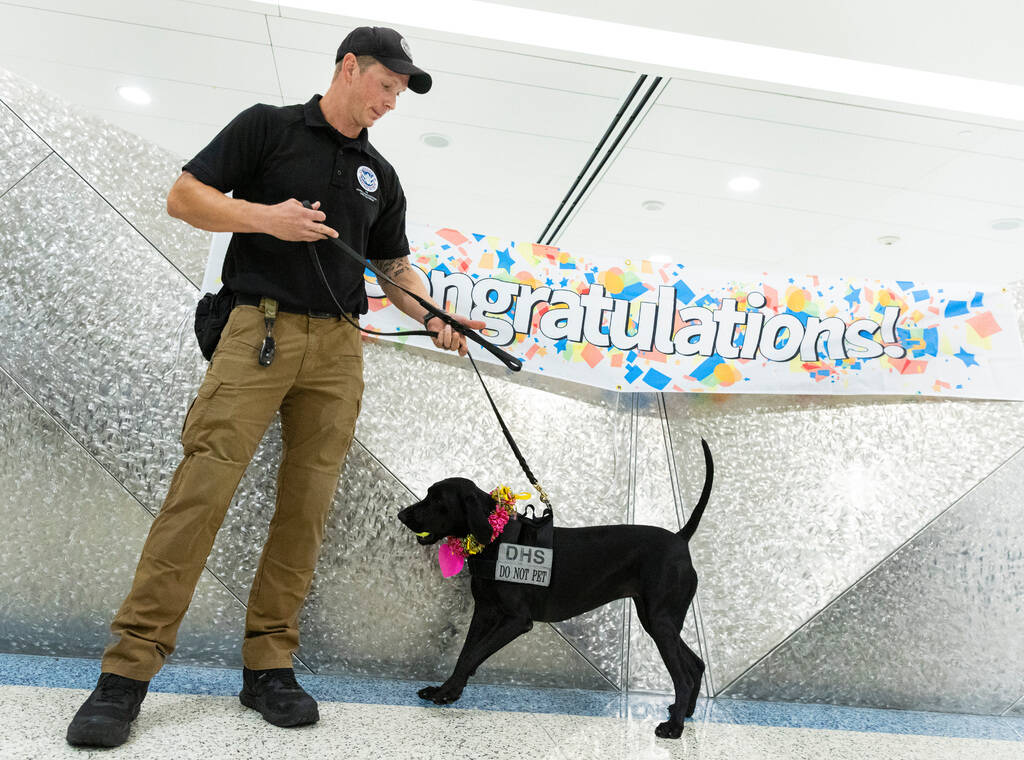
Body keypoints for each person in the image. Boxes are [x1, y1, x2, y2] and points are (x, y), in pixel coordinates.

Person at [66, 26, 484, 748]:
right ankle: (125, 675)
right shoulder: (268, 127)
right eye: (385, 84)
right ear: (348, 67)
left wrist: (435, 312)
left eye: (398, 92)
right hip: (255, 334)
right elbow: (184, 198)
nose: (391, 101)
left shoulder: (378, 176)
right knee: (199, 496)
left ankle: (269, 667)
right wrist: (269, 220)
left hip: (336, 350)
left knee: (306, 511)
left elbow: (393, 269)